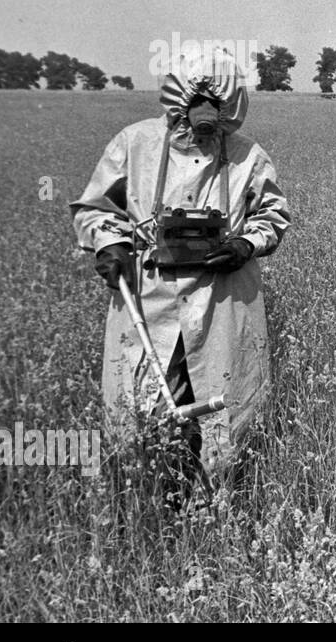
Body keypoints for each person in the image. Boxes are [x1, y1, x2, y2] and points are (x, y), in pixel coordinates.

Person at [71, 46, 290, 492]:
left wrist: (245, 244)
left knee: (222, 408)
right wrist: (110, 244)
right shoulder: (135, 144)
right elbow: (95, 208)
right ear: (177, 99)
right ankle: (149, 499)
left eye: (217, 104)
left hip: (222, 300)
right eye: (197, 102)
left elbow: (272, 215)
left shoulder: (249, 157)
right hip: (150, 298)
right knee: (142, 405)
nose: (206, 114)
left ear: (232, 106)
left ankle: (218, 501)